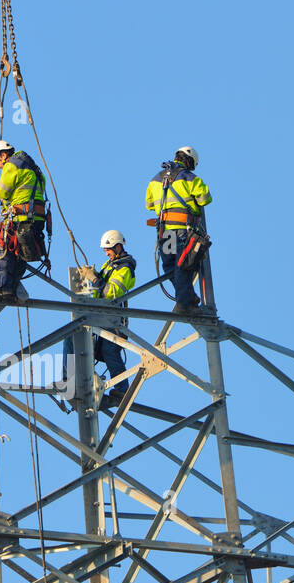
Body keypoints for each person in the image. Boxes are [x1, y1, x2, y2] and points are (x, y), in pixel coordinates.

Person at [64, 230, 136, 411]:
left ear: (118, 246)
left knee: (109, 350)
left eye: (108, 249)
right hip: (101, 315)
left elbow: (111, 292)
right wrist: (92, 276)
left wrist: (94, 278)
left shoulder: (125, 268)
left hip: (112, 319)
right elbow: (100, 288)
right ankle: (69, 377)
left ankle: (121, 390)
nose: (106, 253)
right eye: (105, 250)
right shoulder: (111, 265)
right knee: (72, 337)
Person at [144, 145, 214, 315]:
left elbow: (149, 204)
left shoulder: (155, 179)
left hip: (166, 233)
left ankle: (187, 297)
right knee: (184, 265)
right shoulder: (190, 178)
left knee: (169, 266)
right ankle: (186, 303)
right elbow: (205, 199)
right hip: (184, 232)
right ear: (190, 162)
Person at [0, 139, 47, 303]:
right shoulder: (34, 169)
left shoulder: (12, 165)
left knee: (3, 247)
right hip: (36, 217)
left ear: (3, 155)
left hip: (20, 217)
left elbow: (2, 191)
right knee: (19, 254)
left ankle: (1, 286)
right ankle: (11, 287)